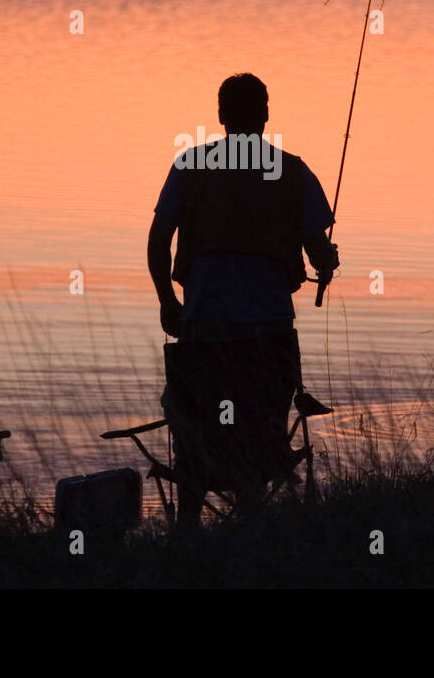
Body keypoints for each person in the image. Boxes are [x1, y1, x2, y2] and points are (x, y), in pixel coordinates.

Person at [148, 73, 339, 529]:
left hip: (202, 333)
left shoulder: (189, 166)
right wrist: (327, 262)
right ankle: (252, 525)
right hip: (268, 334)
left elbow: (158, 241)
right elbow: (318, 249)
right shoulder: (292, 170)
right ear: (266, 114)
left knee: (195, 431)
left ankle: (189, 528)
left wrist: (166, 301)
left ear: (220, 116)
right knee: (263, 426)